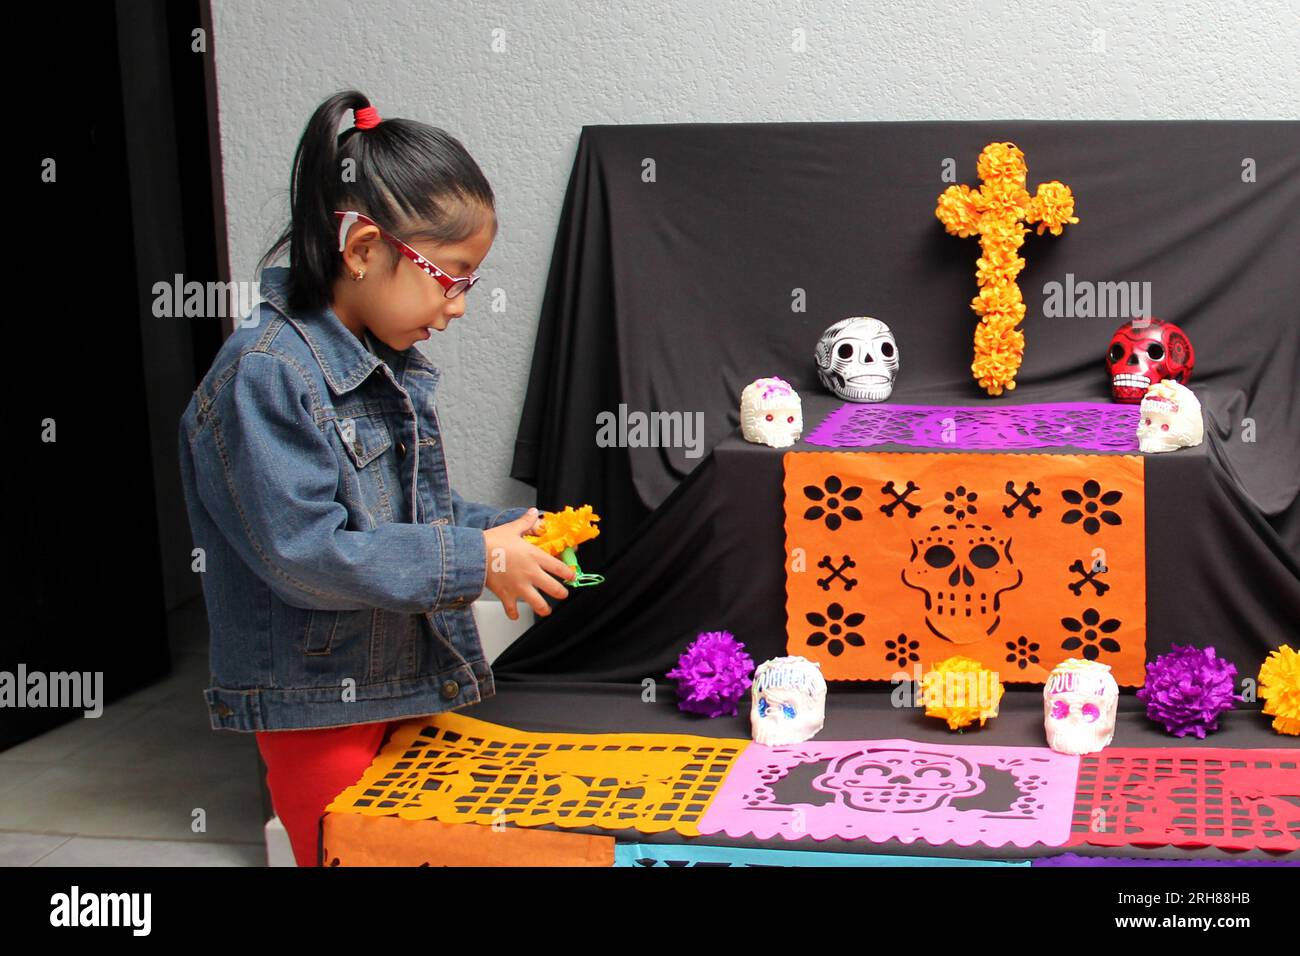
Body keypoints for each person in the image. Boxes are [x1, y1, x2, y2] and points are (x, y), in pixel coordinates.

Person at [177, 90, 574, 866]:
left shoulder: (379, 365)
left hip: (398, 679)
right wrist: (478, 561)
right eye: (452, 276)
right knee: (348, 853)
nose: (459, 306)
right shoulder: (265, 378)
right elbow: (307, 553)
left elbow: (412, 507)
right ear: (363, 248)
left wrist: (500, 531)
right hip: (317, 705)